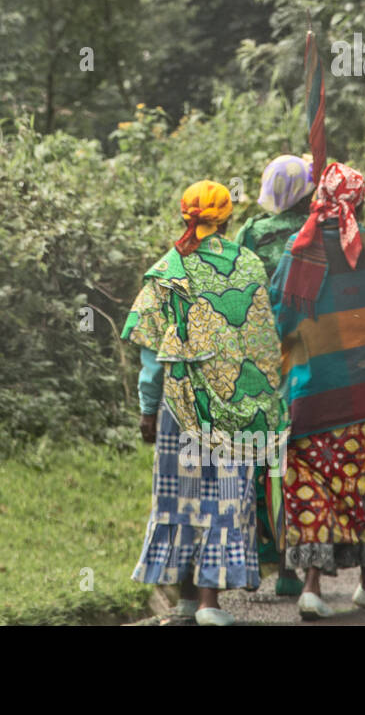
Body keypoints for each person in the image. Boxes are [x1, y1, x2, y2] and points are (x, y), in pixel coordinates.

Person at [122, 180, 283, 626]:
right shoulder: (250, 265)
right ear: (228, 220)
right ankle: (209, 602)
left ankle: (189, 600)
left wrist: (147, 409)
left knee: (182, 497)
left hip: (180, 408)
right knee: (226, 496)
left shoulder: (168, 270)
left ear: (184, 216)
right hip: (237, 411)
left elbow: (152, 356)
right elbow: (262, 342)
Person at [270, 162, 365, 620]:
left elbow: (277, 320)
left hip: (311, 396)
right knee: (362, 485)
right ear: (357, 201)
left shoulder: (299, 252)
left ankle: (312, 587)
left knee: (309, 485)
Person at [236, 154, 316, 596]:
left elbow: (243, 289)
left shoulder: (249, 232)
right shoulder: (318, 231)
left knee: (259, 456)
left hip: (258, 356)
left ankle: (256, 558)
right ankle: (290, 566)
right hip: (307, 354)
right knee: (297, 458)